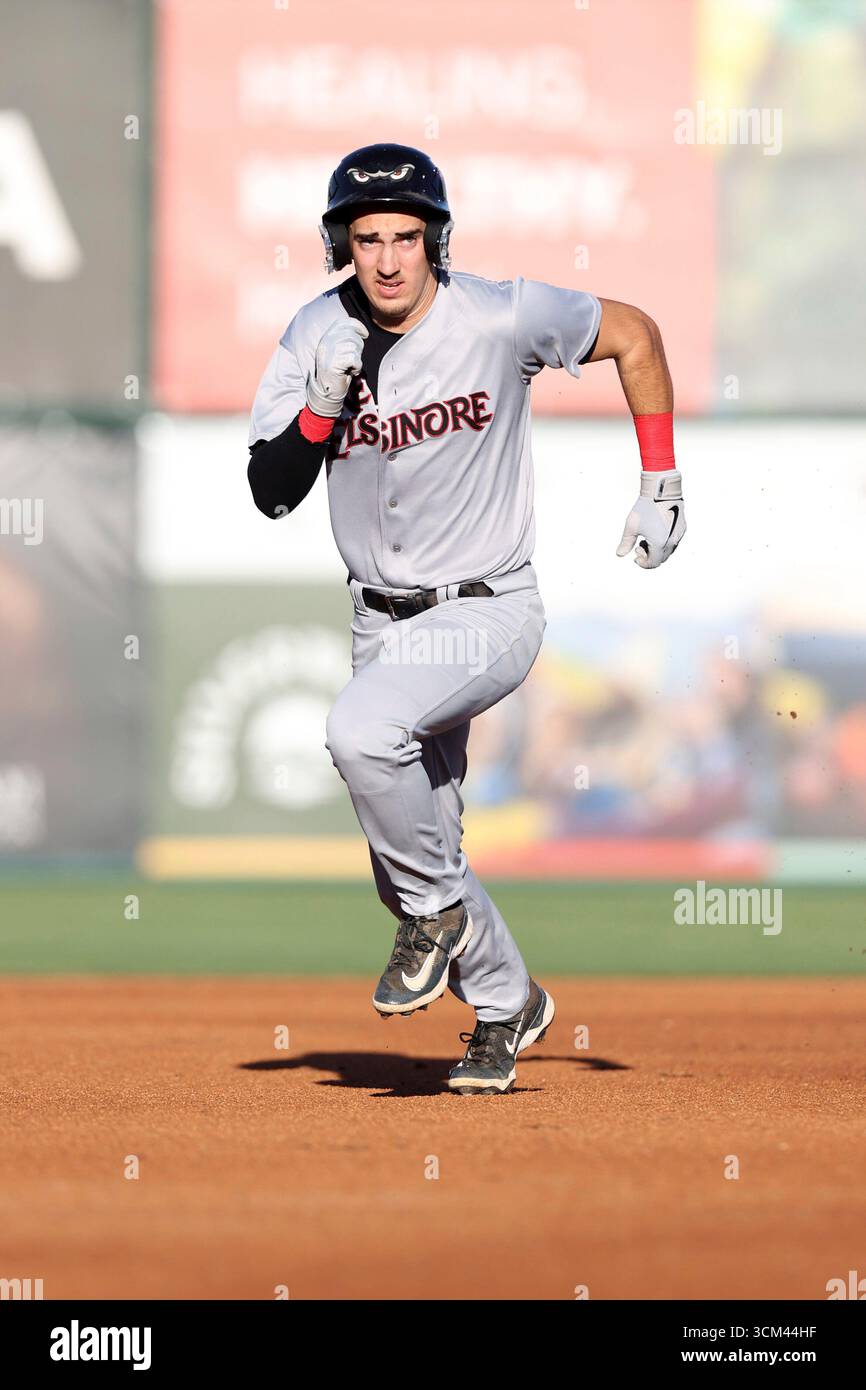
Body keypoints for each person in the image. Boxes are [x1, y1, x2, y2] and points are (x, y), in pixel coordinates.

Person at [247, 143, 686, 1095]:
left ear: (436, 239)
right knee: (408, 865)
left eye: (409, 235)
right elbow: (270, 492)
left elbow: (637, 334)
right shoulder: (316, 332)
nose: (391, 259)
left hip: (486, 608)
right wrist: (319, 411)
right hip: (380, 619)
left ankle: (439, 916)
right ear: (342, 245)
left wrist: (661, 478)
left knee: (361, 734)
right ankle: (505, 1003)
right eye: (369, 239)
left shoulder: (499, 313)